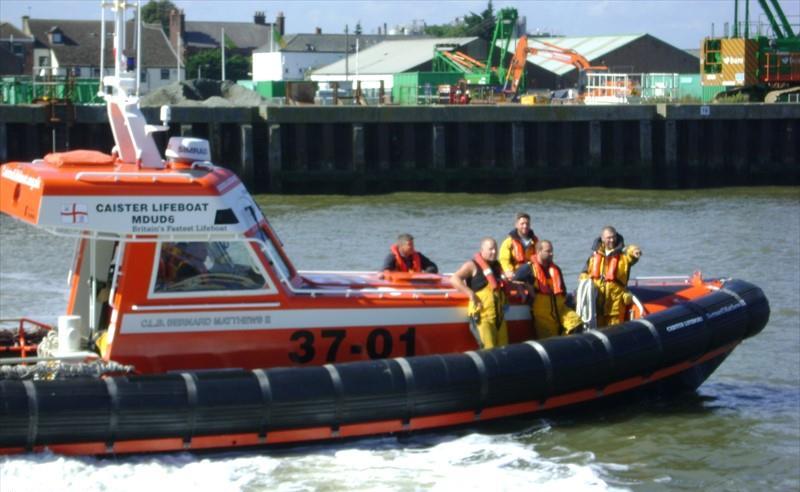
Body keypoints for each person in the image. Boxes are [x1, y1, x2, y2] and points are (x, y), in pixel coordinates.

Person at [514, 240, 582, 339]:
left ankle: (567, 346)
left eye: (552, 251)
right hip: (543, 314)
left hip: (560, 309)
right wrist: (527, 290)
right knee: (549, 339)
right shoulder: (527, 269)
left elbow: (562, 290)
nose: (551, 254)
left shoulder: (556, 269)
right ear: (538, 252)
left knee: (576, 323)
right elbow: (514, 280)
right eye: (548, 251)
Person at [450, 237, 510, 349]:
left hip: (499, 317)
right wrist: (470, 293)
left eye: (495, 249)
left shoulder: (497, 266)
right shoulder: (472, 265)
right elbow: (454, 279)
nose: (494, 252)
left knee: (504, 349)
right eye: (491, 249)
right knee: (488, 349)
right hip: (482, 317)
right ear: (482, 250)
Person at [579, 226, 642, 327]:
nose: (612, 240)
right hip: (597, 305)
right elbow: (584, 274)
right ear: (602, 238)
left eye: (613, 237)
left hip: (615, 306)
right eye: (608, 238)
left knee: (615, 332)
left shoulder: (624, 255)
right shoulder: (594, 256)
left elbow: (631, 253)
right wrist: (586, 284)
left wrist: (635, 251)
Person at [498, 212, 539, 277]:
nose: (525, 226)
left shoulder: (535, 241)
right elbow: (503, 259)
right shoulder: (508, 242)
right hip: (515, 273)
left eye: (527, 224)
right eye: (522, 224)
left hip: (531, 273)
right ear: (516, 225)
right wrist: (508, 270)